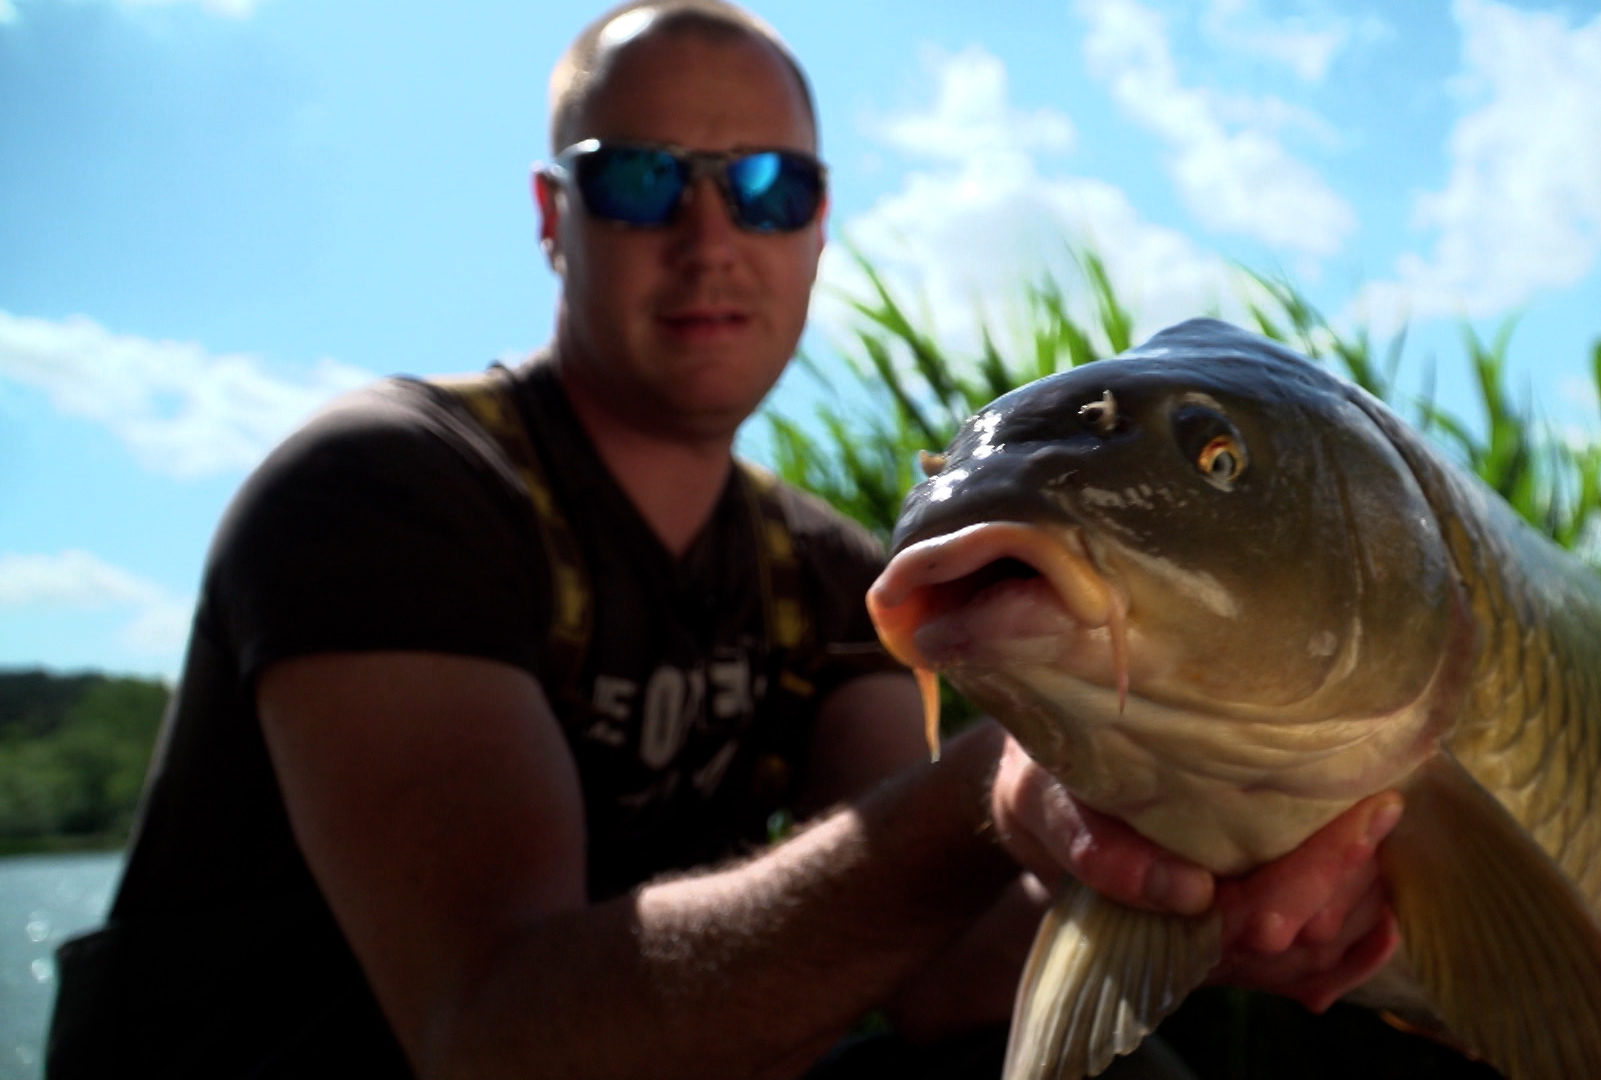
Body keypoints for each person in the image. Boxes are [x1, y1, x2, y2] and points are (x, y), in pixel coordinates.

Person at [46, 2, 1402, 1077]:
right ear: (550, 221)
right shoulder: (385, 493)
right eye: (639, 180)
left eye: (765, 186)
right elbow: (495, 1038)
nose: (711, 236)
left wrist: (1181, 898)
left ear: (816, 224)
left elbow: (926, 963)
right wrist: (995, 791)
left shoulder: (819, 568)